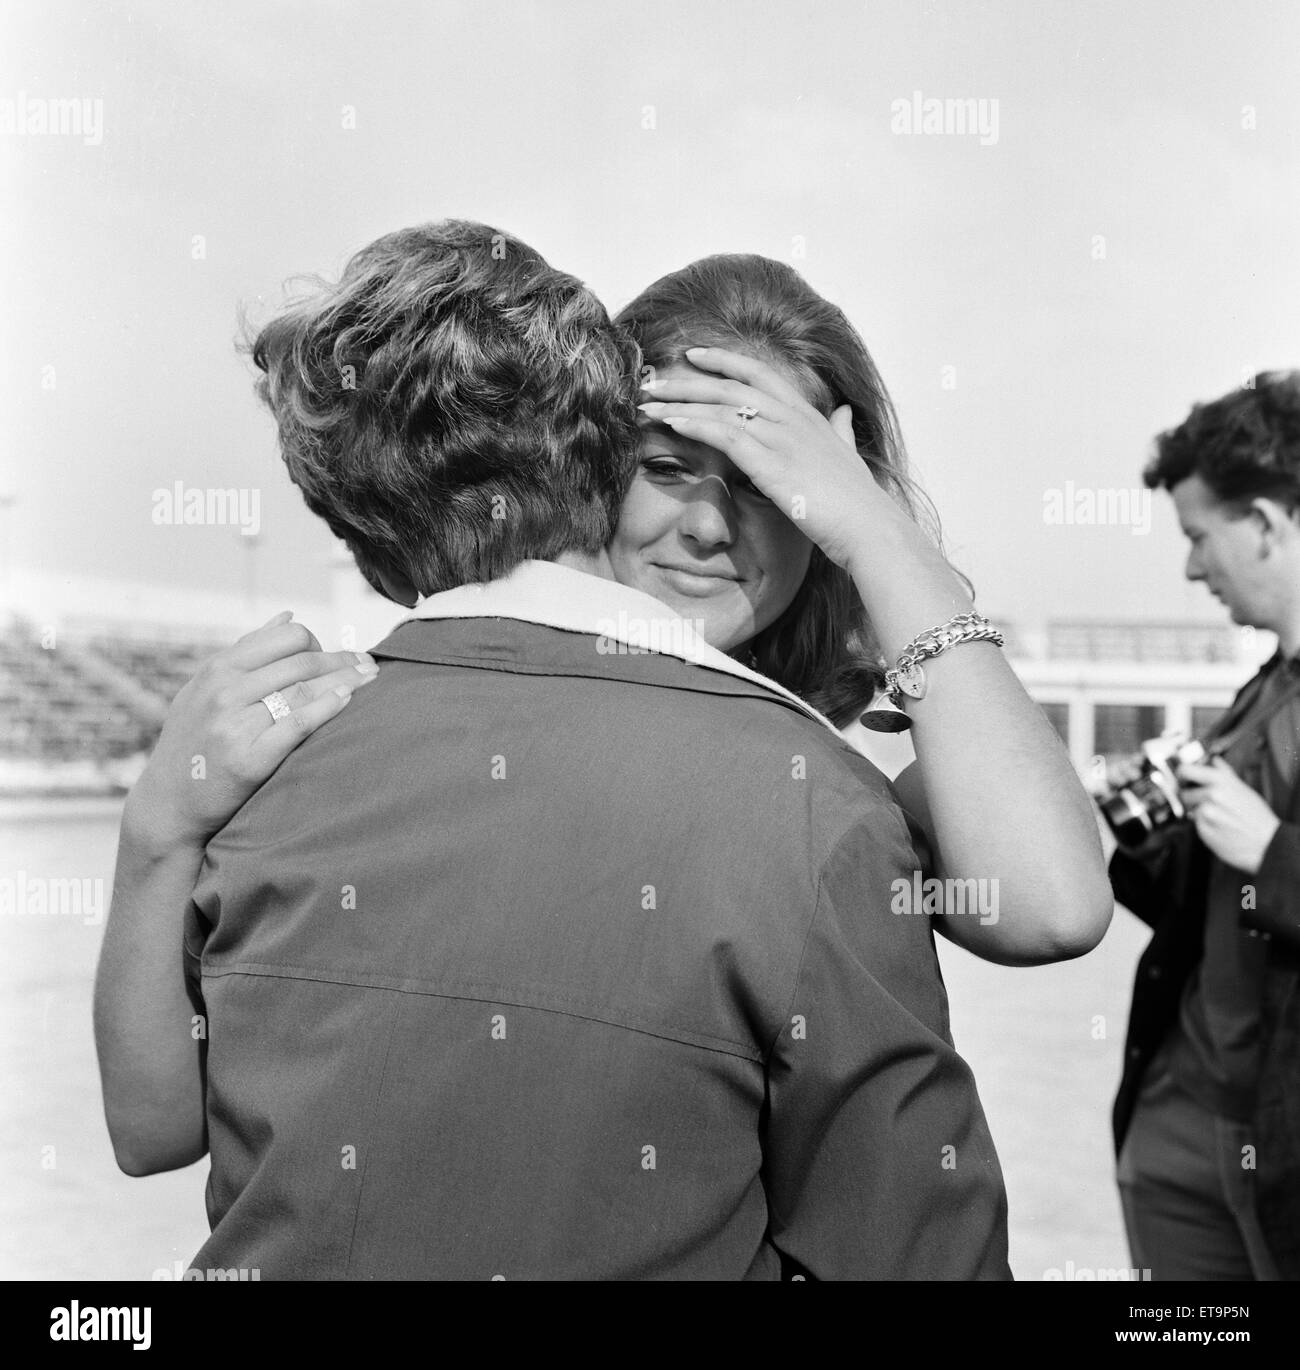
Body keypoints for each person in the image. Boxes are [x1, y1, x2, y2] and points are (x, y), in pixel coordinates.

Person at [95, 219, 1012, 1279]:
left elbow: (152, 1129)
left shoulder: (263, 758)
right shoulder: (816, 799)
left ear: (355, 533)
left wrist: (153, 831)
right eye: (670, 467)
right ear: (600, 456)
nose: (711, 526)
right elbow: (922, 1254)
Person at [1111, 371, 1300, 1281]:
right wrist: (1147, 830)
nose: (1190, 570)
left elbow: (1268, 866)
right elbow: (1208, 902)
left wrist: (1272, 849)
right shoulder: (1260, 692)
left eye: (1198, 539)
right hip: (1184, 1115)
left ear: (1265, 524)